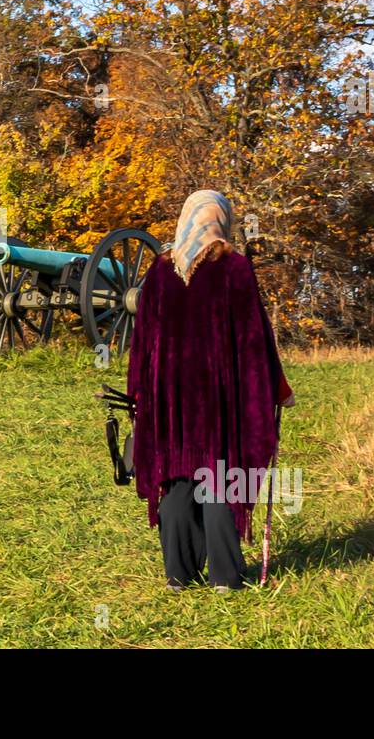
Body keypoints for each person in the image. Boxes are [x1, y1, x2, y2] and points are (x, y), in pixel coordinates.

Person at [126, 190, 294, 591]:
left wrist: (140, 396)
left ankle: (178, 575)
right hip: (221, 402)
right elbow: (256, 342)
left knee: (179, 478)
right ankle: (224, 577)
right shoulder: (234, 268)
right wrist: (275, 389)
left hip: (171, 403)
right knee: (221, 478)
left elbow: (141, 344)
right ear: (223, 220)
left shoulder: (160, 272)